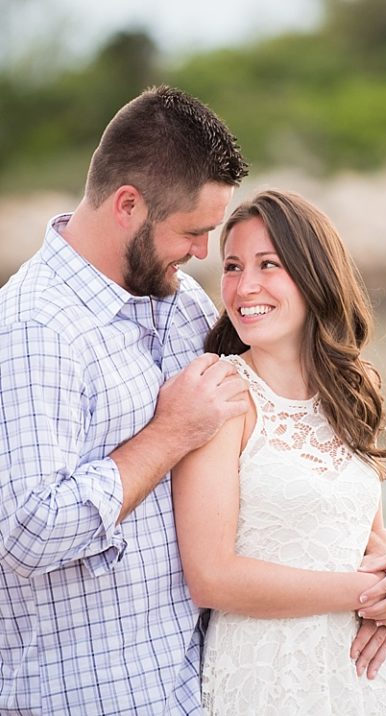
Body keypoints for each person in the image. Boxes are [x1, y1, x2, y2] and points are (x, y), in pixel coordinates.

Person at [0, 85, 250, 714]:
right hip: (91, 698)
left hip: (194, 686)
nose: (203, 253)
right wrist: (170, 433)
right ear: (128, 205)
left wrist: (382, 553)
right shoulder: (34, 328)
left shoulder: (182, 301)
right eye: (192, 231)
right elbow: (27, 530)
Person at [171, 189, 386, 714]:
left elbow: (368, 536)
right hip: (267, 674)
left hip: (365, 672)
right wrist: (370, 596)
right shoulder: (221, 394)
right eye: (233, 266)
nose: (244, 286)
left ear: (315, 275)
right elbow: (211, 577)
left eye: (268, 264)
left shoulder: (352, 388)